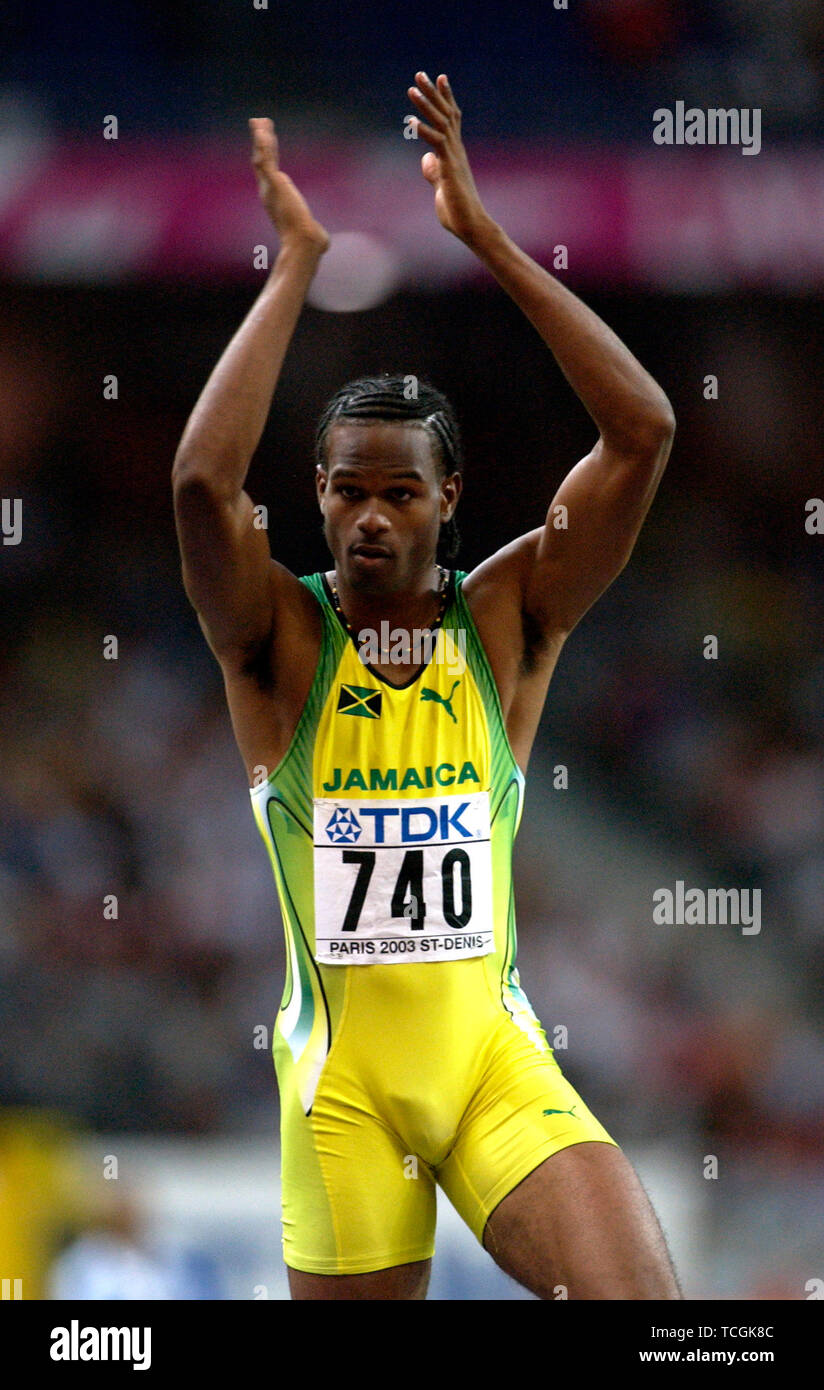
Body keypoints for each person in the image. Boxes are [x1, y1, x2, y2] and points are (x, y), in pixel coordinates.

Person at [172, 71, 680, 1301]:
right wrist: (294, 261)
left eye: (399, 491)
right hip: (345, 1100)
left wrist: (483, 237)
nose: (368, 517)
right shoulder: (278, 642)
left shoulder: (506, 616)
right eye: (346, 489)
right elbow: (199, 486)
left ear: (447, 499)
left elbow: (642, 432)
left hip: (493, 1068)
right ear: (318, 493)